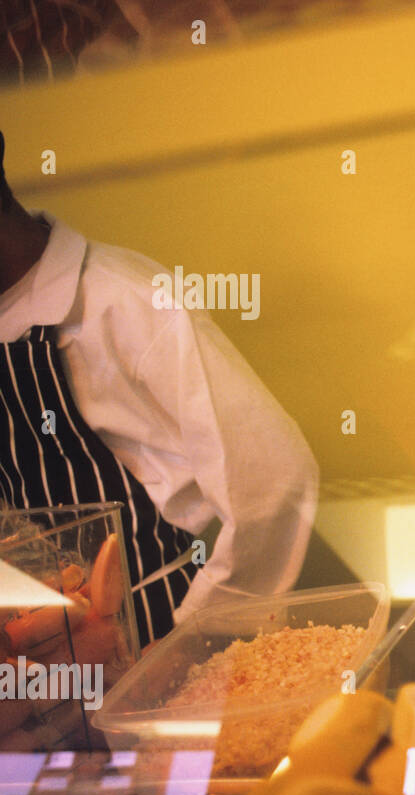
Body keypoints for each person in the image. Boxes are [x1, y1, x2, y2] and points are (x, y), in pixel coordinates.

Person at [0, 130, 319, 647]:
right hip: (43, 680)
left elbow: (272, 478)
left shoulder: (123, 300)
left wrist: (195, 646)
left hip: (151, 646)